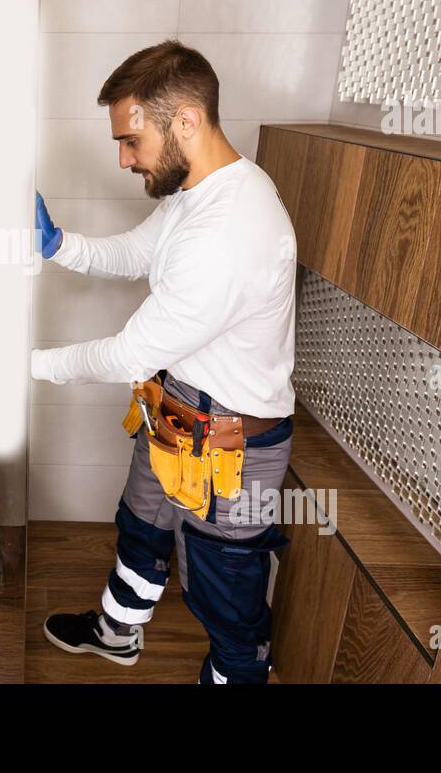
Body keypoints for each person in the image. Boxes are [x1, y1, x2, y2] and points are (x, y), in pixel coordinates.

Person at [31, 39, 297, 685]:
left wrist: (30, 363)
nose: (124, 158)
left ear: (185, 122)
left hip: (232, 455)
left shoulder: (229, 231)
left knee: (227, 604)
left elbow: (126, 352)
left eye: (130, 140)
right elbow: (135, 254)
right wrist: (58, 245)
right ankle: (117, 633)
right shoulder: (193, 194)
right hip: (175, 416)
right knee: (140, 531)